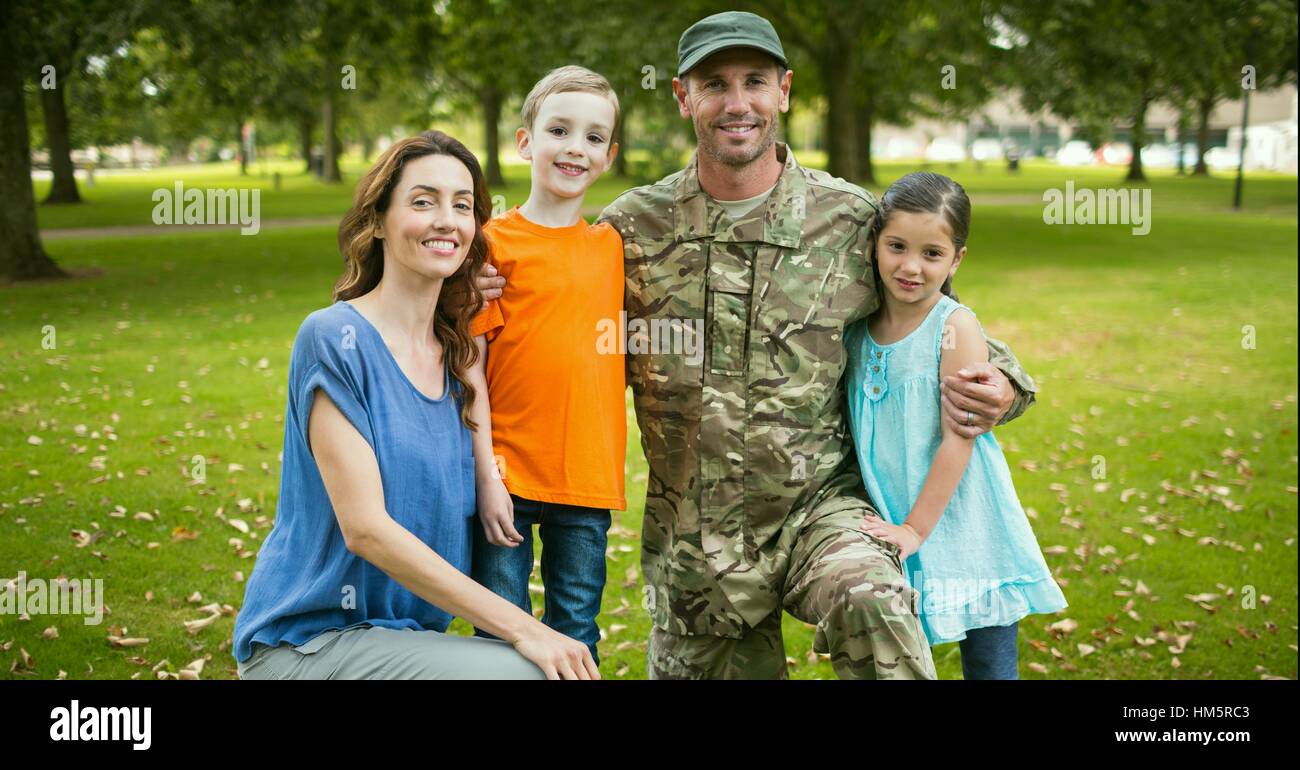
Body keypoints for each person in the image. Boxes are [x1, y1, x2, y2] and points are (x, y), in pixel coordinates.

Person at [595, 11, 1040, 679]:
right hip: (696, 541)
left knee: (875, 600)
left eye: (755, 81)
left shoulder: (851, 220)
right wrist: (484, 279)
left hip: (821, 515)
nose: (737, 102)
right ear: (683, 97)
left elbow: (937, 319)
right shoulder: (631, 230)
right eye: (714, 84)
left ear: (786, 91)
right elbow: (549, 317)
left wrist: (1002, 382)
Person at [231, 130, 599, 680]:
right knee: (527, 673)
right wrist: (527, 628)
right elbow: (366, 530)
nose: (446, 220)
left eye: (463, 205)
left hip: (407, 643)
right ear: (377, 220)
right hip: (309, 645)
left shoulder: (457, 362)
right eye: (422, 201)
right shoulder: (334, 339)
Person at [853, 172, 1067, 680]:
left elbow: (960, 436)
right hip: (898, 509)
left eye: (932, 254)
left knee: (989, 664)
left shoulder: (954, 327)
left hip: (967, 520)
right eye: (897, 246)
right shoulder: (860, 324)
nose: (910, 266)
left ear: (956, 260)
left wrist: (914, 528)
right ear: (875, 244)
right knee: (906, 653)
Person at [468, 66, 625, 666]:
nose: (574, 148)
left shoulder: (612, 246)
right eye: (559, 130)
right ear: (526, 140)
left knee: (576, 634)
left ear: (608, 156)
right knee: (500, 637)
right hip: (505, 472)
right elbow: (469, 371)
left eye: (592, 138)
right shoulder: (490, 247)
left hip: (585, 477)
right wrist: (485, 475)